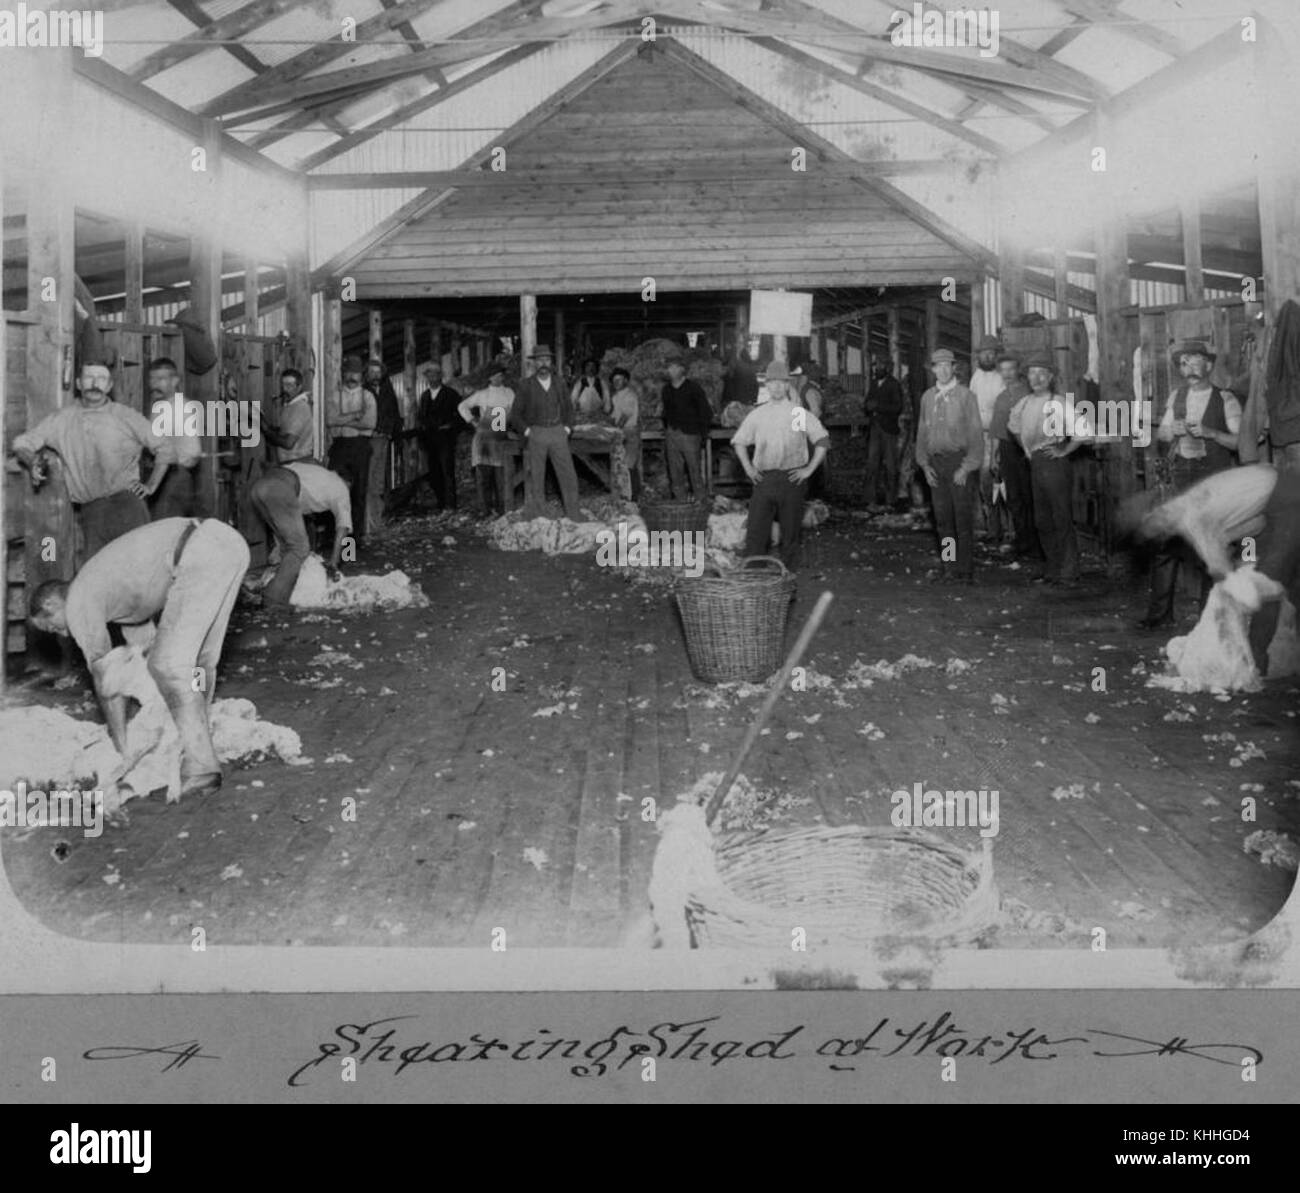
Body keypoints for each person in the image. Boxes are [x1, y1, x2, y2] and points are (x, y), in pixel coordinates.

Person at [28, 517, 250, 798]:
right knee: (199, 664)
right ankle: (195, 740)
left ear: (51, 603)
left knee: (168, 665)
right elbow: (144, 651)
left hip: (199, 554)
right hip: (226, 543)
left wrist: (122, 747)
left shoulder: (78, 602)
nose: (60, 634)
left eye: (51, 626)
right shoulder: (111, 594)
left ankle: (202, 767)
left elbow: (106, 683)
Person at [11, 360, 194, 563]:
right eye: (89, 378)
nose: (95, 384)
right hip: (91, 512)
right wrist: (31, 460)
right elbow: (22, 443)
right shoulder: (61, 420)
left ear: (108, 386)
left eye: (101, 379)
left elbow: (165, 448)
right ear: (79, 383)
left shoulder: (125, 416)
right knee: (95, 578)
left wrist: (151, 485)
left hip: (127, 506)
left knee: (139, 571)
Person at [1127, 463, 1298, 674]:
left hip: (1285, 498)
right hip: (1277, 493)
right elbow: (1254, 524)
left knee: (1268, 584)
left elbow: (1222, 573)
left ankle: (1254, 666)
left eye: (1150, 529)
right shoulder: (1187, 505)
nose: (1155, 534)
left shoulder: (1193, 519)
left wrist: (1237, 586)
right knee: (1282, 577)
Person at [1140, 339, 1242, 627]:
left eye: (1195, 361)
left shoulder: (1225, 399)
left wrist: (1210, 432)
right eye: (1184, 363)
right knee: (1167, 545)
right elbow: (1160, 436)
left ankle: (1209, 619)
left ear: (1208, 365)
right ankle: (1159, 616)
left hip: (1212, 479)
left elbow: (1241, 441)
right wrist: (1170, 430)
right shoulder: (1176, 396)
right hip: (1180, 478)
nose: (1189, 368)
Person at [731, 360, 829, 571]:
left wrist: (808, 470)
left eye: (781, 382)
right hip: (763, 480)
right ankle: (754, 581)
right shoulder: (759, 414)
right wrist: (748, 468)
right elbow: (739, 442)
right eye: (772, 382)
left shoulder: (796, 414)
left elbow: (821, 441)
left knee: (790, 536)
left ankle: (788, 583)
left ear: (787, 385)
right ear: (766, 385)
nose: (776, 386)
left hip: (791, 480)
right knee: (756, 535)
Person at [1008, 351, 1092, 588]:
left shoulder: (1059, 402)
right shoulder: (1024, 402)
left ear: (1050, 377)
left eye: (1041, 374)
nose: (1036, 378)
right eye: (1032, 374)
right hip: (1035, 463)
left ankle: (1069, 573)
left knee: (1060, 518)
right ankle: (1052, 569)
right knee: (1042, 520)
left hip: (1055, 465)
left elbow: (1084, 432)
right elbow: (1013, 426)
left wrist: (1064, 451)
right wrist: (1026, 448)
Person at [914, 348, 983, 584]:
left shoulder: (966, 396)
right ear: (932, 369)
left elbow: (975, 434)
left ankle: (965, 570)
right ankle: (949, 567)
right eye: (938, 366)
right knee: (943, 521)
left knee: (962, 519)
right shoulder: (927, 397)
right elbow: (922, 433)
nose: (942, 370)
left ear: (954, 368)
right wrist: (924, 465)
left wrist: (967, 467)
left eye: (947, 365)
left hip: (959, 462)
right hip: (936, 465)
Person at [250, 460, 352, 609]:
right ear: (348, 482)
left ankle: (277, 590)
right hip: (280, 488)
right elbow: (344, 529)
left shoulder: (320, 474)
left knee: (287, 547)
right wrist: (336, 563)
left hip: (259, 488)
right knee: (300, 548)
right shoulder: (342, 489)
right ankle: (273, 600)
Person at [509, 344, 581, 521]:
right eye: (539, 360)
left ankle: (574, 514)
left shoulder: (560, 383)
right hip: (537, 432)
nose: (543, 363)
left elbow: (569, 410)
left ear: (551, 362)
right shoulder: (526, 385)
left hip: (558, 431)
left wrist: (566, 428)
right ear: (534, 364)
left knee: (568, 475)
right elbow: (515, 414)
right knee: (537, 476)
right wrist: (527, 431)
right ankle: (540, 515)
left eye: (547, 360)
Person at [987, 349, 1039, 559]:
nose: (1007, 373)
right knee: (1014, 497)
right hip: (1008, 449)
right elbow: (997, 429)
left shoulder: (1029, 392)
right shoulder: (1001, 397)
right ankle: (1022, 540)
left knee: (1030, 496)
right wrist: (993, 456)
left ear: (1018, 370)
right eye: (1003, 370)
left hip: (1026, 448)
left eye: (1011, 369)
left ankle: (1036, 543)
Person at [145, 358, 204, 520]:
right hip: (169, 476)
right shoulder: (161, 406)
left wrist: (153, 483)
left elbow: (193, 452)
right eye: (152, 379)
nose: (155, 384)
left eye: (161, 379)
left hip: (174, 477)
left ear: (175, 381)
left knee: (164, 534)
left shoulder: (179, 408)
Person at [326, 355, 376, 543]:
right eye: (348, 373)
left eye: (355, 373)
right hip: (339, 446)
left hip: (360, 446)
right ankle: (335, 541)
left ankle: (353, 543)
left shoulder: (368, 396)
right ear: (343, 374)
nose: (351, 377)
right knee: (335, 492)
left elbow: (370, 423)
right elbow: (330, 421)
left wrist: (343, 418)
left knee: (358, 494)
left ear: (361, 375)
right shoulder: (335, 396)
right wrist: (355, 416)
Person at [458, 364, 516, 517]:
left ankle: (502, 510)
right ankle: (484, 510)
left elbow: (515, 413)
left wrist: (510, 428)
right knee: (484, 477)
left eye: (501, 375)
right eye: (495, 375)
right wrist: (473, 421)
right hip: (484, 438)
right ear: (489, 378)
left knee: (501, 477)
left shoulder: (509, 393)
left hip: (501, 437)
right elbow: (462, 406)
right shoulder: (482, 394)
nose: (499, 377)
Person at [969, 334, 1008, 545]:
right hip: (980, 437)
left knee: (1001, 483)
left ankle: (1009, 531)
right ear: (979, 356)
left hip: (999, 436)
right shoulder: (976, 377)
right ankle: (993, 529)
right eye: (984, 353)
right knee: (985, 484)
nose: (987, 356)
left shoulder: (1001, 378)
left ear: (996, 356)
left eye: (991, 353)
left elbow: (1002, 413)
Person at [661, 356, 713, 501]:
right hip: (672, 434)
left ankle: (700, 502)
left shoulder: (693, 388)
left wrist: (702, 434)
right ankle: (680, 503)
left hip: (690, 435)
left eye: (673, 367)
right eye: (668, 368)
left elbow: (705, 412)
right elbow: (666, 412)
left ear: (681, 370)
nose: (669, 371)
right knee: (675, 472)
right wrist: (667, 429)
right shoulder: (666, 390)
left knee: (694, 471)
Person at [364, 358, 403, 536]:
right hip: (368, 441)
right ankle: (367, 524)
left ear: (383, 374)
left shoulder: (387, 390)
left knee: (379, 482)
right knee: (368, 480)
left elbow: (394, 413)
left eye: (378, 372)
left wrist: (391, 432)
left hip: (383, 440)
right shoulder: (362, 391)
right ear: (366, 374)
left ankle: (376, 522)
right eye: (371, 372)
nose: (375, 375)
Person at [416, 364, 462, 512]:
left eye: (435, 375)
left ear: (441, 376)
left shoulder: (451, 394)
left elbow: (461, 415)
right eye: (429, 375)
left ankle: (451, 505)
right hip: (430, 440)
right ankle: (441, 502)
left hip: (445, 439)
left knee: (447, 471)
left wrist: (451, 426)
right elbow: (421, 417)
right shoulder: (424, 396)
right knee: (434, 473)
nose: (432, 378)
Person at [863, 354, 905, 508]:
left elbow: (898, 407)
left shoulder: (894, 384)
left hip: (888, 430)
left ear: (888, 368)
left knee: (891, 466)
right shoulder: (874, 383)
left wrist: (877, 406)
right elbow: (867, 402)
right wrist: (867, 406)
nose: (877, 369)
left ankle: (891, 501)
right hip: (875, 428)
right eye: (876, 366)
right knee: (872, 464)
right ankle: (870, 500)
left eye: (880, 366)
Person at [261, 367, 314, 464]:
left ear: (299, 387)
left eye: (289, 385)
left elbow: (288, 443)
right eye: (283, 385)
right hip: (290, 462)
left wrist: (266, 430)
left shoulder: (300, 408)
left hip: (298, 463)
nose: (285, 389)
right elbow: (285, 431)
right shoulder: (290, 405)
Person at [605, 366, 642, 501]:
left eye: (619, 380)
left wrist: (614, 430)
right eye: (614, 381)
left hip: (630, 432)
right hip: (620, 433)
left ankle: (633, 499)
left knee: (628, 465)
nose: (616, 383)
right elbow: (614, 416)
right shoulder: (615, 397)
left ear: (626, 381)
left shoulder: (630, 395)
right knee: (620, 466)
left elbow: (625, 416)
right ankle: (624, 498)